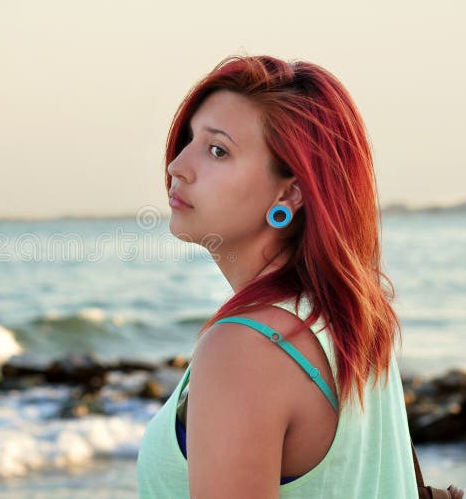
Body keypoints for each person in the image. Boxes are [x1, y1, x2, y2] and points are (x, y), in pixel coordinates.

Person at [135, 55, 416, 498]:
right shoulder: (351, 320)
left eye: (217, 150)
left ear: (290, 191)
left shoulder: (246, 349)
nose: (178, 166)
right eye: (189, 140)